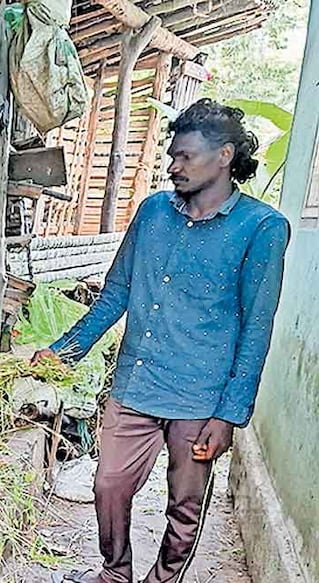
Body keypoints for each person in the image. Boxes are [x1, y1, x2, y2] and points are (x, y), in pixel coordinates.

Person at [33, 98, 291, 583]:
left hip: (201, 396)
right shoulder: (153, 212)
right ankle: (115, 572)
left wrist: (230, 414)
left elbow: (257, 327)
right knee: (108, 484)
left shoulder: (262, 228)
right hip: (137, 381)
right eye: (171, 156)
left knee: (185, 504)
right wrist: (64, 352)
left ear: (225, 157)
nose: (173, 167)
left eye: (185, 157)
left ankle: (163, 578)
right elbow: (117, 293)